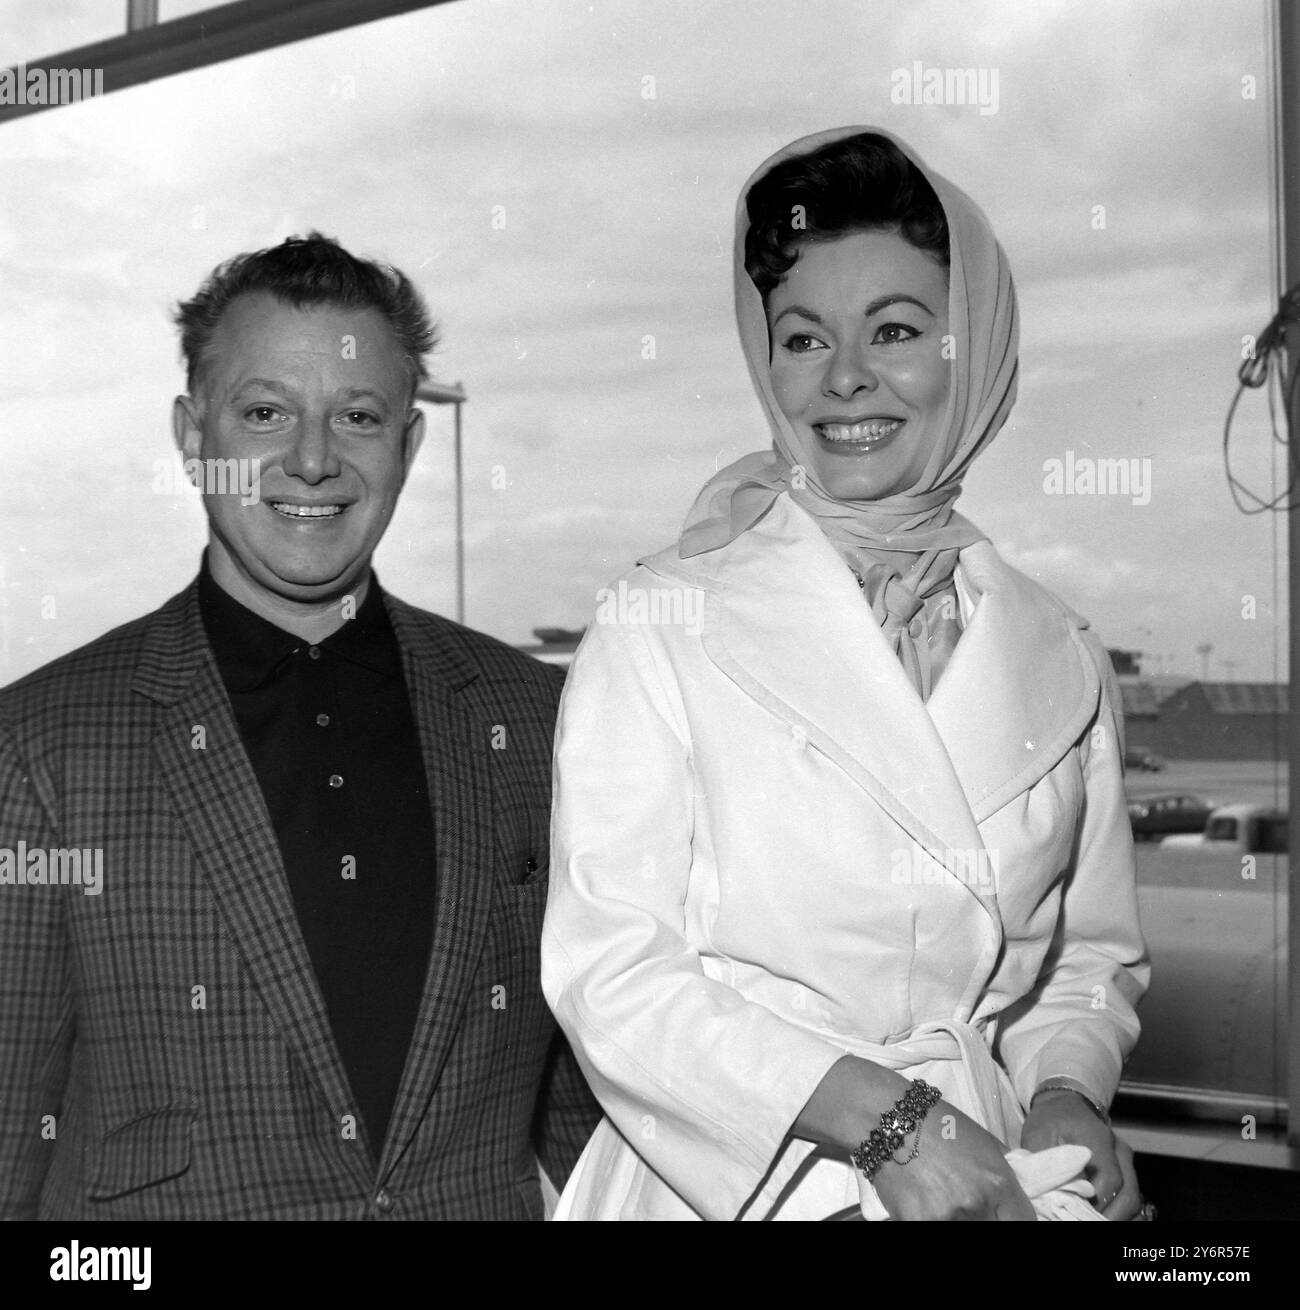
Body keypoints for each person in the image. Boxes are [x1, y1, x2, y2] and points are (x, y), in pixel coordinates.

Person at [541, 128, 1150, 1221]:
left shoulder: (1060, 648)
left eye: (898, 330)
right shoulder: (658, 621)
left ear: (975, 349)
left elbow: (1085, 958)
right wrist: (887, 1118)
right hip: (735, 1175)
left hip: (987, 1172)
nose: (846, 378)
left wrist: (1067, 1090)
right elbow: (611, 974)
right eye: (802, 338)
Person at [0, 233, 598, 1220]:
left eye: (356, 415)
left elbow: (593, 1127)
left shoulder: (531, 722)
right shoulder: (39, 748)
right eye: (266, 411)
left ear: (407, 444)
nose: (313, 458)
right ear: (194, 438)